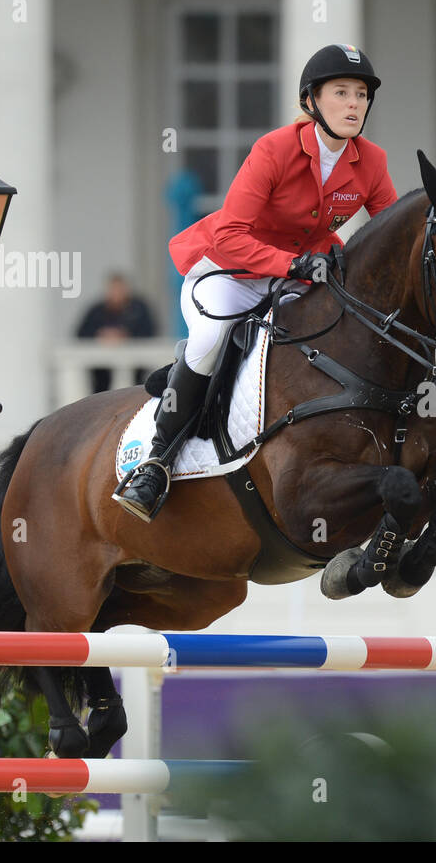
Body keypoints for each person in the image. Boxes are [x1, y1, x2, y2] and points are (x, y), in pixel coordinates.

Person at [113, 44, 399, 522]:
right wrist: (292, 265)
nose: (354, 104)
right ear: (312, 101)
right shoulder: (274, 150)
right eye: (342, 93)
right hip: (229, 271)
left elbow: (389, 238)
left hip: (295, 279)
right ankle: (156, 463)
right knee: (209, 338)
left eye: (362, 95)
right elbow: (230, 234)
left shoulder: (371, 161)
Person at [76, 272, 157, 393]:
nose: (117, 293)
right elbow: (81, 333)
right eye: (113, 289)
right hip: (101, 372)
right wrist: (100, 335)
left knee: (132, 395)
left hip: (135, 370)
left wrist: (125, 336)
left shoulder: (139, 309)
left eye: (120, 289)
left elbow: (149, 331)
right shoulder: (97, 310)